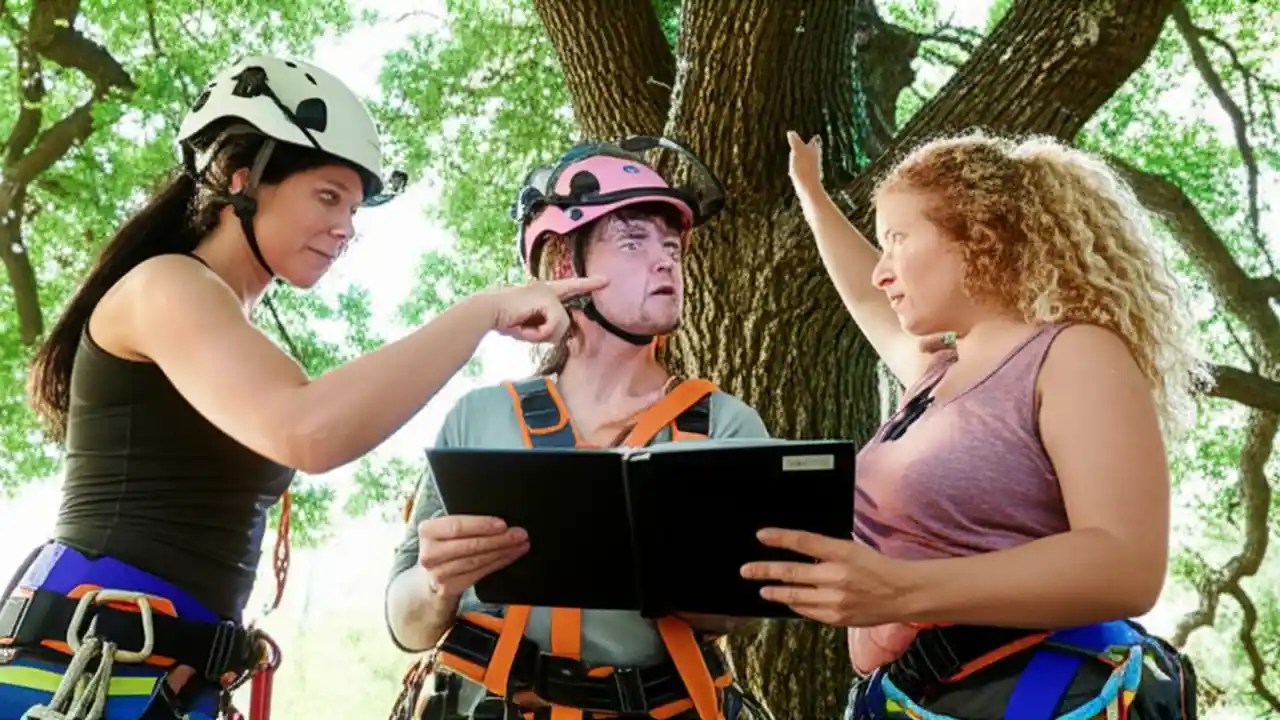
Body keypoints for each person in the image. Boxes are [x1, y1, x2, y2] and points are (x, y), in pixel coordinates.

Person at [0, 55, 602, 720]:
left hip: (161, 676)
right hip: (90, 673)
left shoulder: (235, 328)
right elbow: (309, 429)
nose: (346, 228)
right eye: (328, 195)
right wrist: (483, 310)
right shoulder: (165, 285)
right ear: (241, 180)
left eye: (353, 208)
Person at [738, 130, 1201, 719]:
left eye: (898, 239)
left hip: (1038, 692)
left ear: (981, 237)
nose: (882, 271)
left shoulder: (1073, 354)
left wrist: (900, 589)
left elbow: (1126, 567)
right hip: (917, 696)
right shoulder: (935, 374)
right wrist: (811, 192)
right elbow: (862, 294)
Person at [384, 137, 774, 720]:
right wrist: (436, 582)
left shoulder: (728, 427)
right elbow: (405, 624)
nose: (666, 259)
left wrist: (694, 577)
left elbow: (737, 616)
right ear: (565, 263)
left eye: (671, 245)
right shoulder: (480, 417)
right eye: (634, 240)